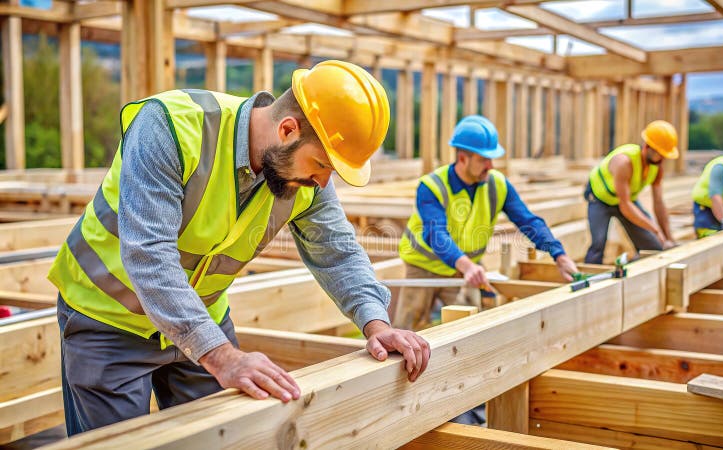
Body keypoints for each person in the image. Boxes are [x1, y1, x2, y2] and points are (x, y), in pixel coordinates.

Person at [47, 60, 430, 435]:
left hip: (201, 317)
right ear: (287, 130)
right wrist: (221, 356)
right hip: (107, 321)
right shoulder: (171, 126)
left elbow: (338, 251)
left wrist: (376, 323)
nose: (323, 180)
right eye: (322, 163)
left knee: (227, 437)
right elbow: (149, 254)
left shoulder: (306, 179)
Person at [394, 115, 579, 330]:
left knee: (472, 329)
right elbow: (437, 235)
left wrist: (559, 254)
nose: (491, 165)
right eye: (484, 159)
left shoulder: (497, 185)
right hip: (423, 268)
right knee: (406, 331)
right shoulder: (432, 186)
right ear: (463, 158)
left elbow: (528, 221)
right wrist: (468, 266)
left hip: (465, 269)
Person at [584, 120, 679, 264]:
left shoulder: (657, 167)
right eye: (660, 154)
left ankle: (631, 267)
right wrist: (655, 229)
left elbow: (659, 203)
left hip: (627, 200)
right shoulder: (624, 162)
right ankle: (588, 280)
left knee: (653, 247)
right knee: (598, 244)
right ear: (648, 147)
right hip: (600, 200)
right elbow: (625, 207)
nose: (663, 158)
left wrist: (668, 238)